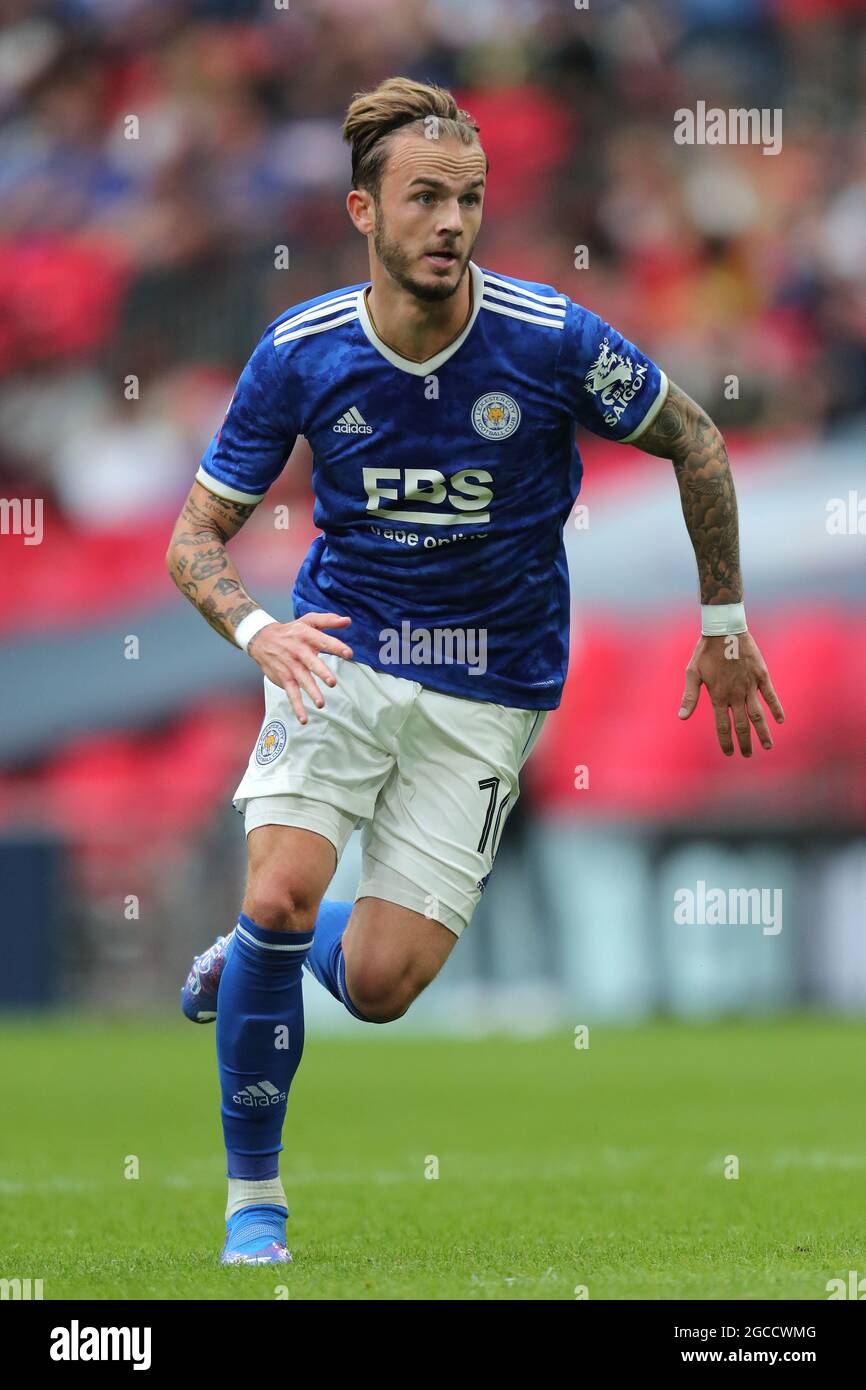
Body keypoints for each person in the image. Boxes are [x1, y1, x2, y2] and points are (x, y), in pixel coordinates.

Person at [165, 76, 784, 1266]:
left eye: (469, 198)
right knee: (276, 894)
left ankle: (253, 958)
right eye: (424, 199)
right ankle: (255, 1202)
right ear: (362, 210)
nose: (451, 222)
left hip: (489, 685)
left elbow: (694, 438)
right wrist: (261, 634)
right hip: (336, 653)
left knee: (385, 983)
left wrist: (722, 619)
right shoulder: (300, 355)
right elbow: (194, 536)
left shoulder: (548, 341)